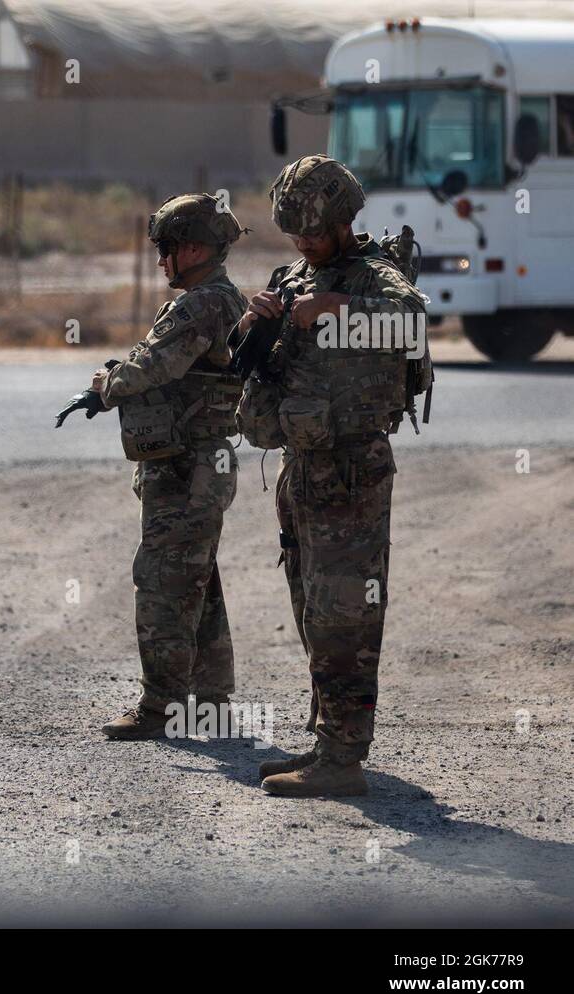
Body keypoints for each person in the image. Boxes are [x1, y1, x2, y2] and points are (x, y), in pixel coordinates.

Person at [236, 155, 426, 796]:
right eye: (296, 233)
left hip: (350, 470)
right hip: (303, 468)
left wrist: (332, 308)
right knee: (314, 610)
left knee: (346, 614)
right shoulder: (295, 274)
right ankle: (328, 739)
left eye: (315, 231)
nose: (305, 243)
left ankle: (344, 760)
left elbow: (410, 324)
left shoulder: (376, 280)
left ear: (345, 219)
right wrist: (259, 322)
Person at [96, 194, 248, 740]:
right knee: (197, 581)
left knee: (163, 580)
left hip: (188, 467)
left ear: (191, 247)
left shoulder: (201, 304)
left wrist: (107, 385)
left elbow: (155, 364)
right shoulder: (219, 300)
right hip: (197, 462)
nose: (161, 262)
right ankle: (212, 706)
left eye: (165, 250)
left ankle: (162, 707)